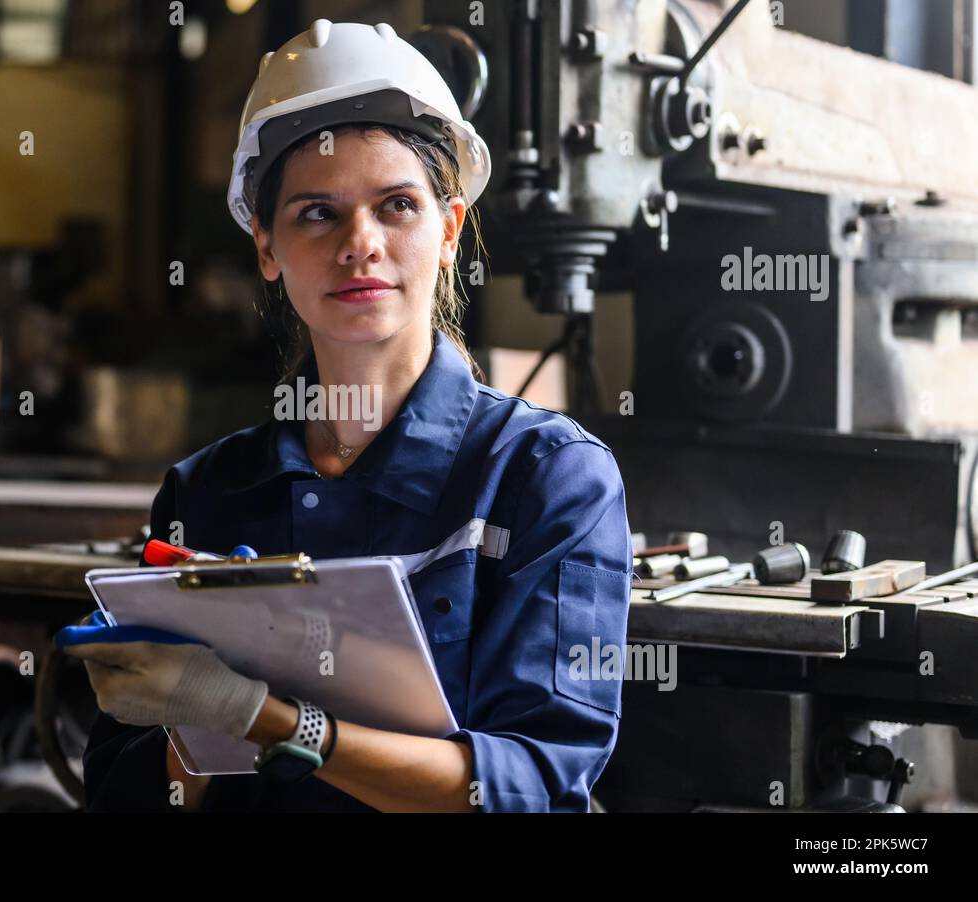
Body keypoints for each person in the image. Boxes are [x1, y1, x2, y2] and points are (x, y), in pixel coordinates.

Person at [69, 19, 632, 813]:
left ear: (448, 231)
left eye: (397, 205)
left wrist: (260, 719)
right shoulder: (211, 490)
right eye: (315, 214)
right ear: (265, 245)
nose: (359, 243)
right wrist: (181, 728)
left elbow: (533, 785)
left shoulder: (548, 481)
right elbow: (126, 793)